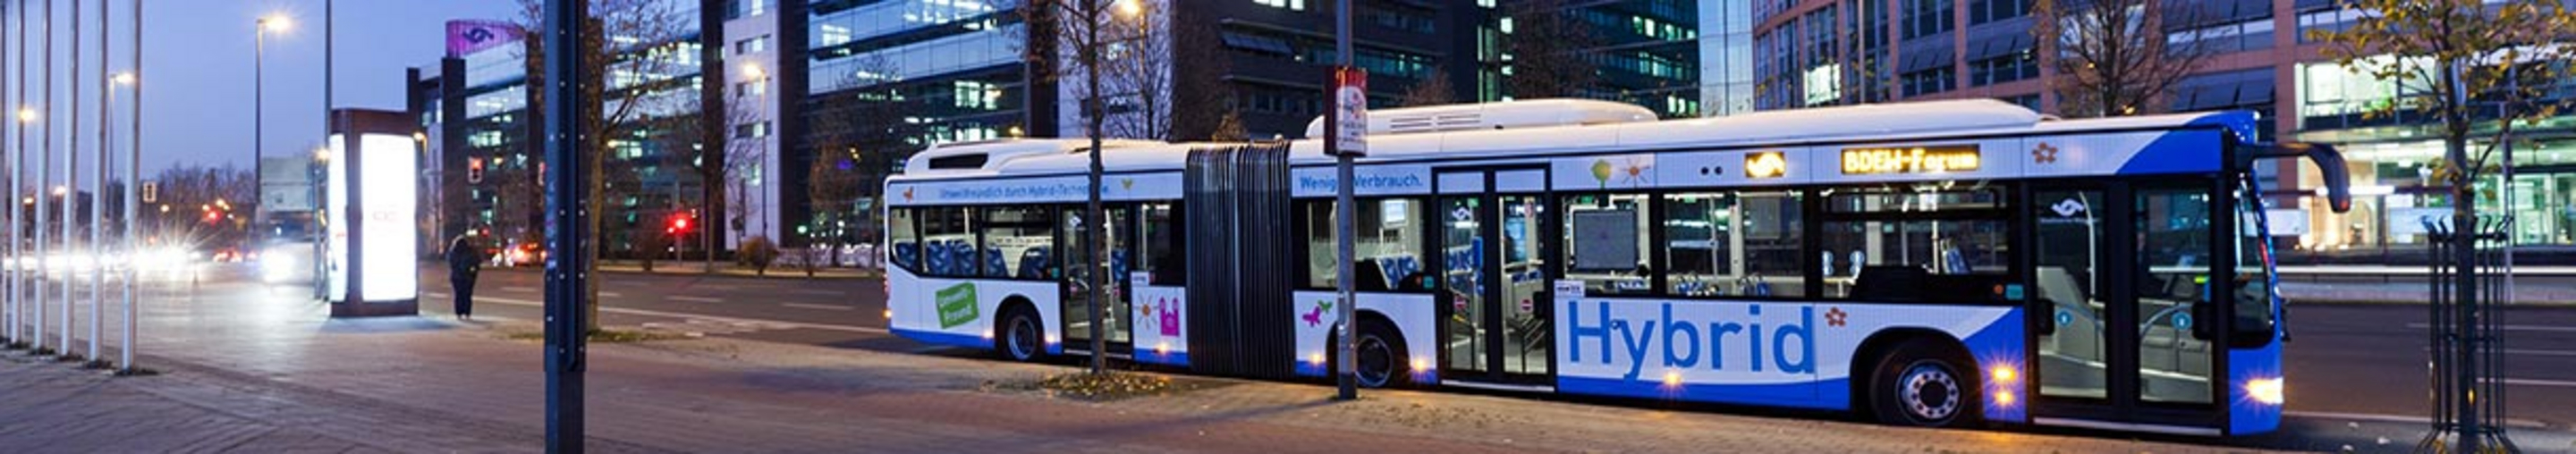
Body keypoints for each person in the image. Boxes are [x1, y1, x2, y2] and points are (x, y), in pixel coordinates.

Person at [445, 235, 485, 320]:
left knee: (458, 295)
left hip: (456, 277)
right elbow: (477, 262)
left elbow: (451, 263)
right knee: (467, 295)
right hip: (468, 277)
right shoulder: (471, 252)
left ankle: (459, 312)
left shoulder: (453, 252)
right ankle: (467, 312)